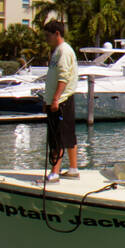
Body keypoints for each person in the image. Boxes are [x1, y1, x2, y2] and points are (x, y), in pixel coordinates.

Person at [42, 20, 79, 183]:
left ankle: (55, 172)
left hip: (62, 100)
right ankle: (73, 169)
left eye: (47, 35)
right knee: (67, 135)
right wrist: (47, 99)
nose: (46, 39)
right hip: (57, 100)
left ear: (57, 33)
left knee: (58, 137)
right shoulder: (57, 51)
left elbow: (64, 77)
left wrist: (55, 98)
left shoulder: (64, 51)